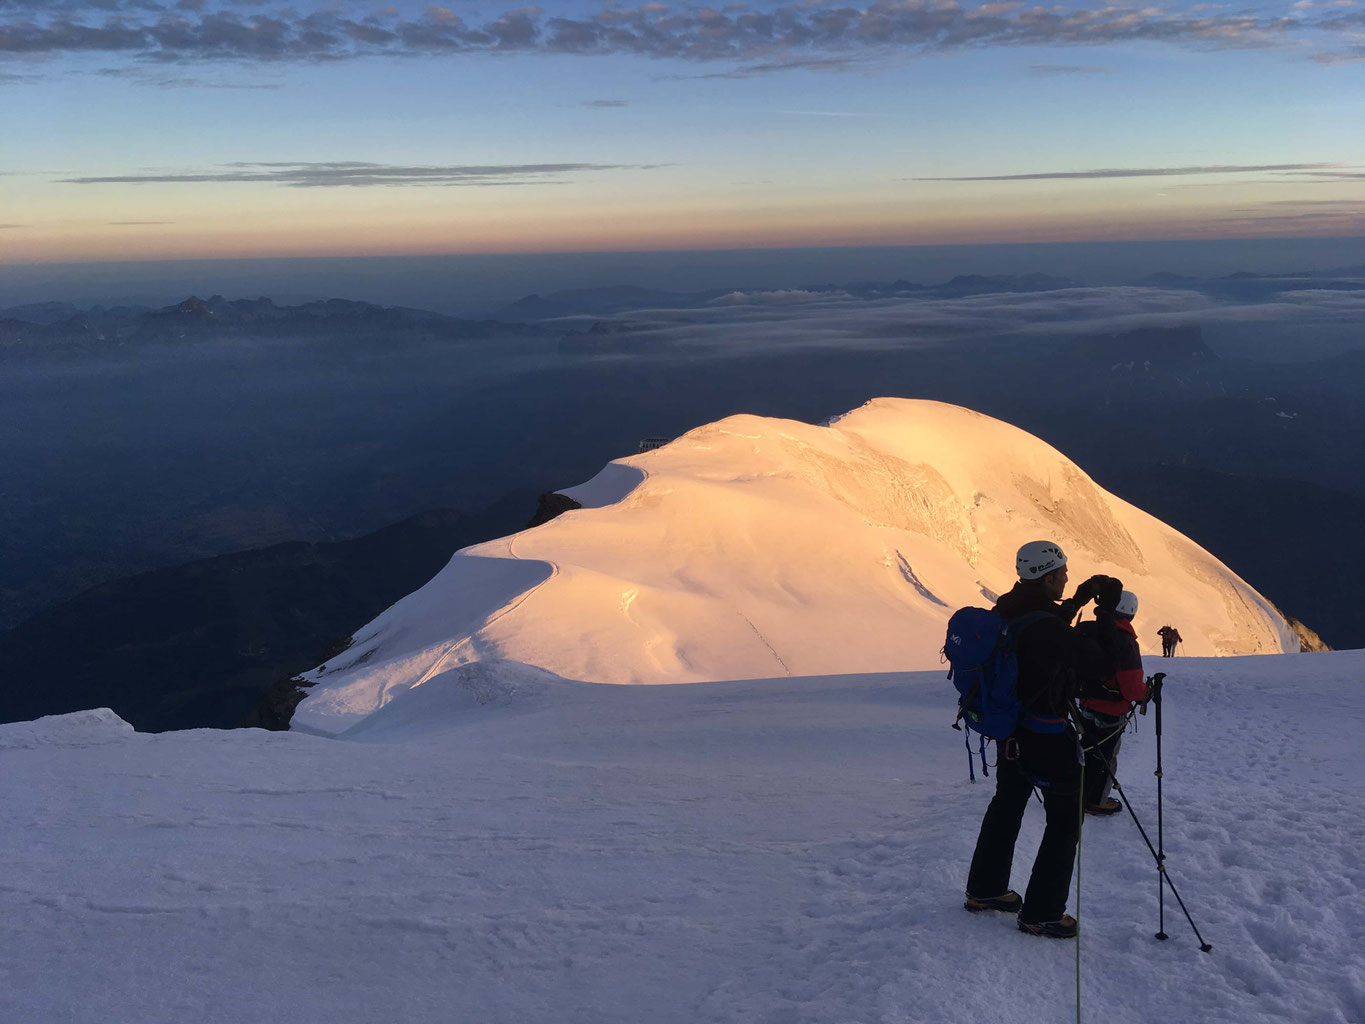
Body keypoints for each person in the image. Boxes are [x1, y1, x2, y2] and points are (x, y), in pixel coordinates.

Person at [964, 540, 1125, 939]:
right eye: (1063, 573)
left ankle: (985, 890)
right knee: (1064, 820)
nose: (1067, 576)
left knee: (1007, 805)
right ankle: (1043, 913)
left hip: (1008, 733)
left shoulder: (1005, 606)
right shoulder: (1048, 628)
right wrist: (1106, 613)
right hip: (1047, 736)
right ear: (1049, 576)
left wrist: (1077, 601)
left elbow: (1040, 626)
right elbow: (1103, 664)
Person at [1076, 590, 1150, 815]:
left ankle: (1079, 792)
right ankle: (1096, 800)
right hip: (1111, 709)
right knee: (1106, 755)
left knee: (1087, 749)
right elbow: (1132, 687)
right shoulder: (1125, 641)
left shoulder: (1087, 630)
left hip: (1085, 702)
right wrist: (1146, 693)